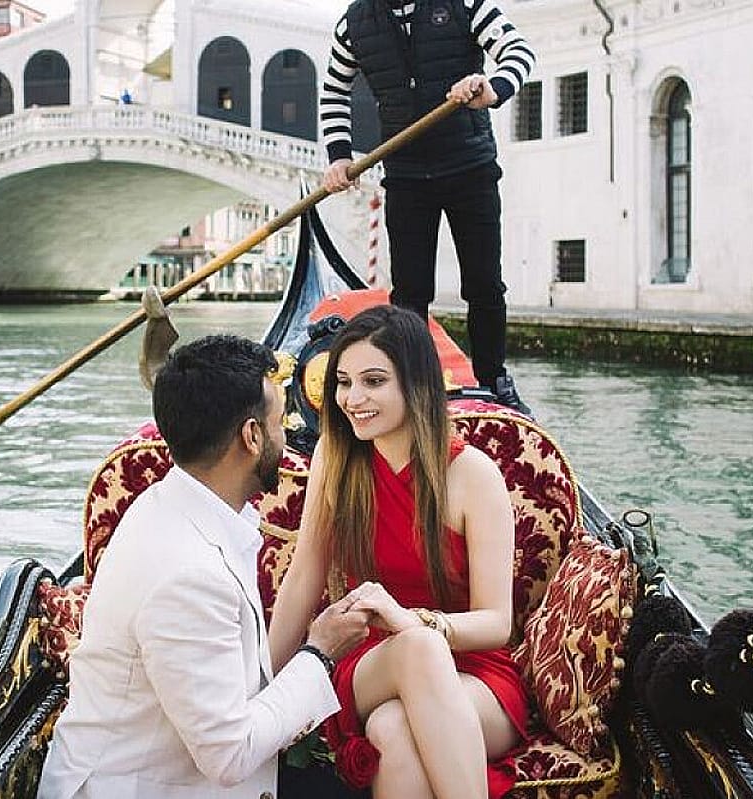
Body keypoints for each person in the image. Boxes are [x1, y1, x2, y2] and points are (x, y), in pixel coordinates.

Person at [38, 335, 371, 799]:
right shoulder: (188, 574)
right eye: (280, 423)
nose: (288, 436)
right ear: (251, 436)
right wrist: (320, 651)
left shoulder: (167, 506)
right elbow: (228, 754)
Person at [268, 305, 528, 799]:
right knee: (415, 649)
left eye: (373, 381)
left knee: (393, 729)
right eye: (344, 382)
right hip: (371, 661)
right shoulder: (336, 456)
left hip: (477, 669)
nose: (352, 399)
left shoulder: (474, 476)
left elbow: (496, 623)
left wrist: (410, 619)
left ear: (417, 384)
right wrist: (264, 689)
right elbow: (304, 576)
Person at [319, 0, 537, 415]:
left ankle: (494, 382)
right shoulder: (354, 22)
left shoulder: (464, 3)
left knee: (484, 285)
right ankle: (416, 389)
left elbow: (518, 51)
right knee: (411, 294)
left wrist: (490, 88)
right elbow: (334, 89)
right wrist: (338, 156)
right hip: (405, 173)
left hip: (470, 167)